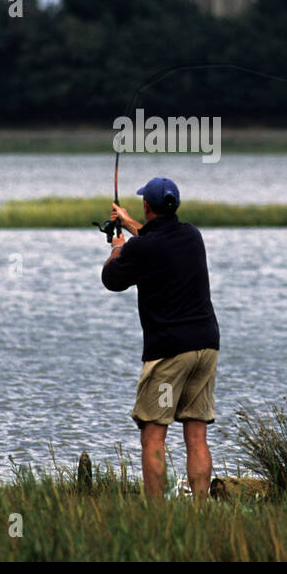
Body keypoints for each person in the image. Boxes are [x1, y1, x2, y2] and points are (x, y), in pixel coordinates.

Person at [101, 177, 220, 500]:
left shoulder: (140, 249)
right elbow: (156, 241)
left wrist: (116, 246)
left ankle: (155, 515)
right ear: (175, 206)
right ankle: (199, 509)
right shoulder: (192, 236)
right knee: (196, 436)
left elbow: (111, 280)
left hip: (169, 353)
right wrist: (127, 223)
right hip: (206, 346)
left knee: (153, 436)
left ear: (147, 206)